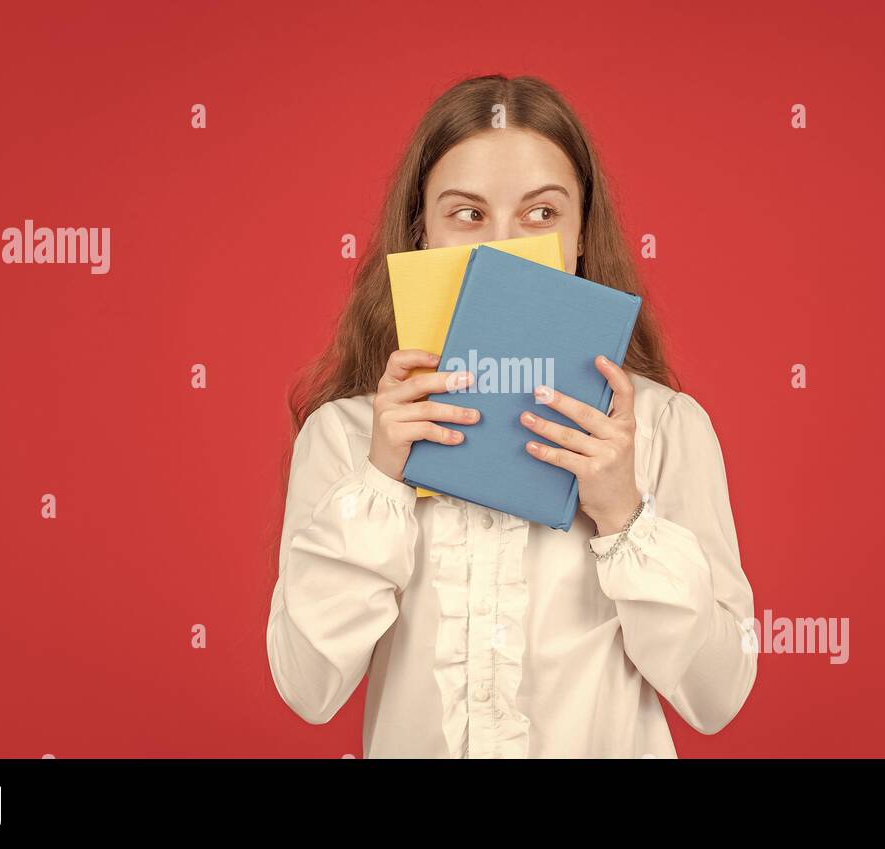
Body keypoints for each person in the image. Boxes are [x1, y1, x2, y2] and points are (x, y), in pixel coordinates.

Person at [267, 74, 756, 757]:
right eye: (467, 214)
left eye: (541, 213)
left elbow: (717, 693)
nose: (502, 246)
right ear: (422, 233)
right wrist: (381, 481)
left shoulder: (666, 428)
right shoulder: (347, 437)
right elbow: (307, 684)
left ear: (582, 234)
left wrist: (624, 515)